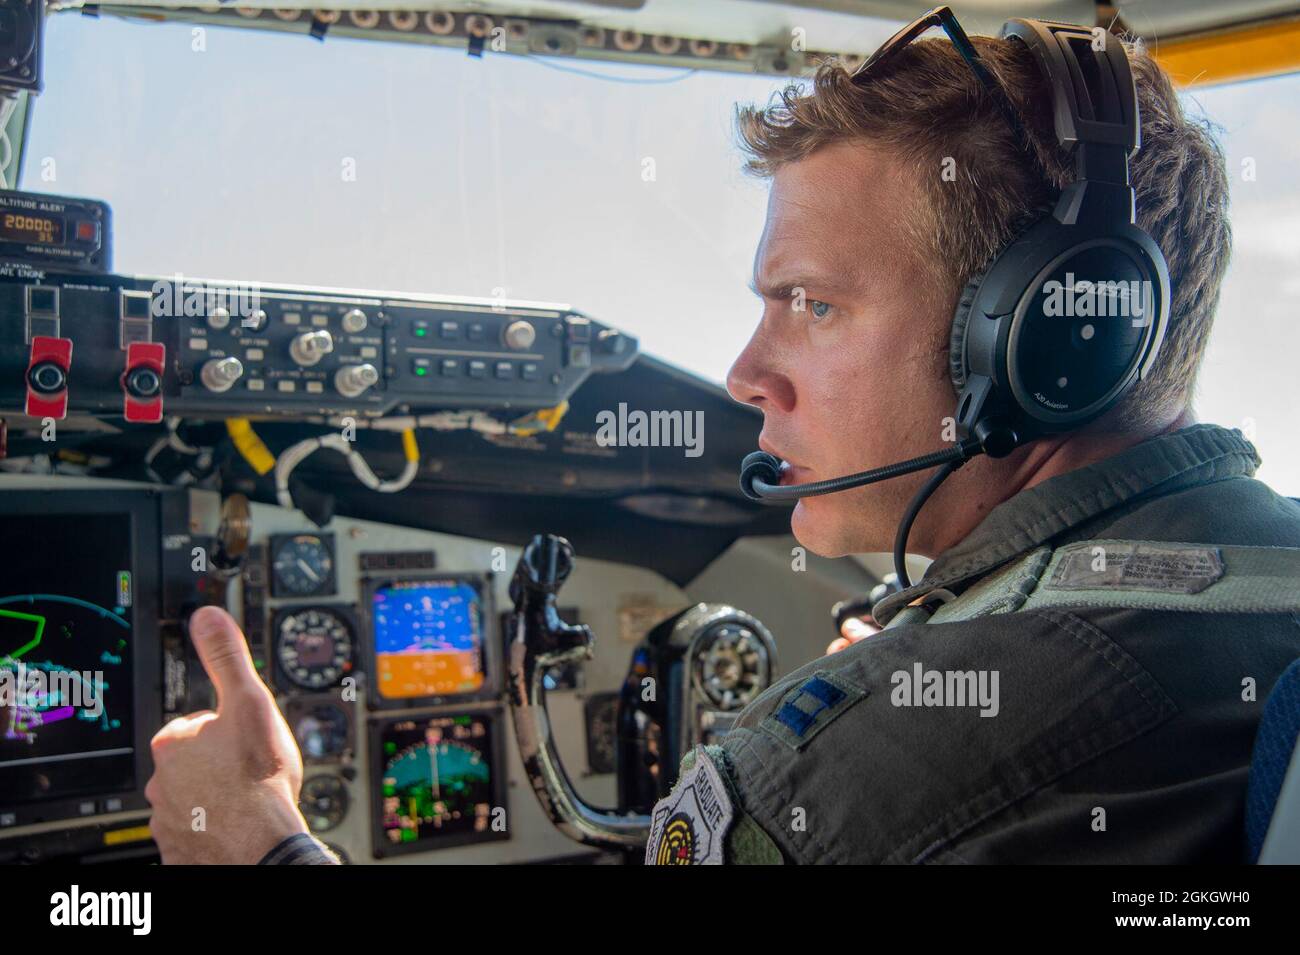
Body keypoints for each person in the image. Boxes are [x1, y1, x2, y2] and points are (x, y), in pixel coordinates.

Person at [145, 18, 1300, 865]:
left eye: (814, 303)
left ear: (1050, 338)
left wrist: (260, 842)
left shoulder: (856, 774)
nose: (746, 373)